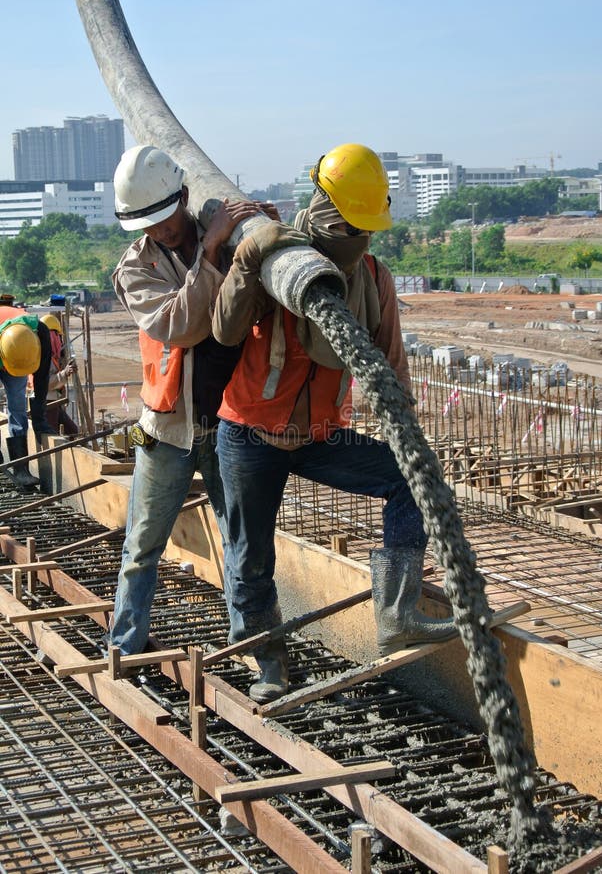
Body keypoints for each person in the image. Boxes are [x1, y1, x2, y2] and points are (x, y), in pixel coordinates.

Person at [212, 143, 454, 702]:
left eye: (366, 228)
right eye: (348, 225)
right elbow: (225, 330)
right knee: (250, 555)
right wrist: (247, 263)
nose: (358, 237)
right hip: (251, 432)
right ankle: (267, 661)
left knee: (411, 478)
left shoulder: (371, 276)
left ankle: (397, 614)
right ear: (323, 208)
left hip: (319, 436)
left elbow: (390, 364)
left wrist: (407, 436)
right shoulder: (274, 260)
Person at [108, 144, 275, 657]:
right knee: (142, 546)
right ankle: (124, 648)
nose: (159, 231)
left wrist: (263, 232)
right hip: (166, 430)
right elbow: (181, 325)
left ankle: (254, 653)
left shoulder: (224, 231)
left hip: (232, 426)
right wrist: (213, 250)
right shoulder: (136, 268)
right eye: (147, 224)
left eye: (163, 219)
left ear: (183, 196)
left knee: (243, 548)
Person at [0, 305, 54, 488]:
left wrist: (39, 417)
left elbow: (42, 377)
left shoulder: (41, 333)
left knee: (18, 406)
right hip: (4, 348)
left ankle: (21, 470)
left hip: (16, 352)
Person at [38, 313, 79, 436]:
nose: (59, 340)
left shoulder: (51, 356)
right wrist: (64, 373)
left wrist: (66, 368)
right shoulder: (42, 357)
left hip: (54, 402)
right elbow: (45, 383)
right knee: (53, 437)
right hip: (46, 403)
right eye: (57, 336)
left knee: (72, 431)